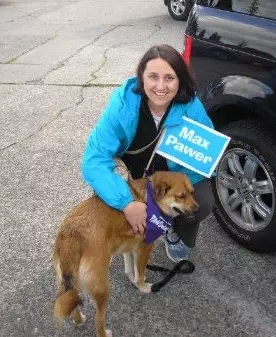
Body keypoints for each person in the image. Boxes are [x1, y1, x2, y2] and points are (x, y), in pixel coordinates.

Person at [81, 44, 214, 263]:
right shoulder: (122, 104)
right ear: (141, 78)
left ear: (180, 80)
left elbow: (205, 157)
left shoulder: (192, 107)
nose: (161, 86)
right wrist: (126, 202)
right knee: (111, 195)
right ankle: (126, 228)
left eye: (169, 78)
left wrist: (176, 184)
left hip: (173, 173)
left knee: (203, 200)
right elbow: (94, 159)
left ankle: (173, 229)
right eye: (153, 76)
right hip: (133, 170)